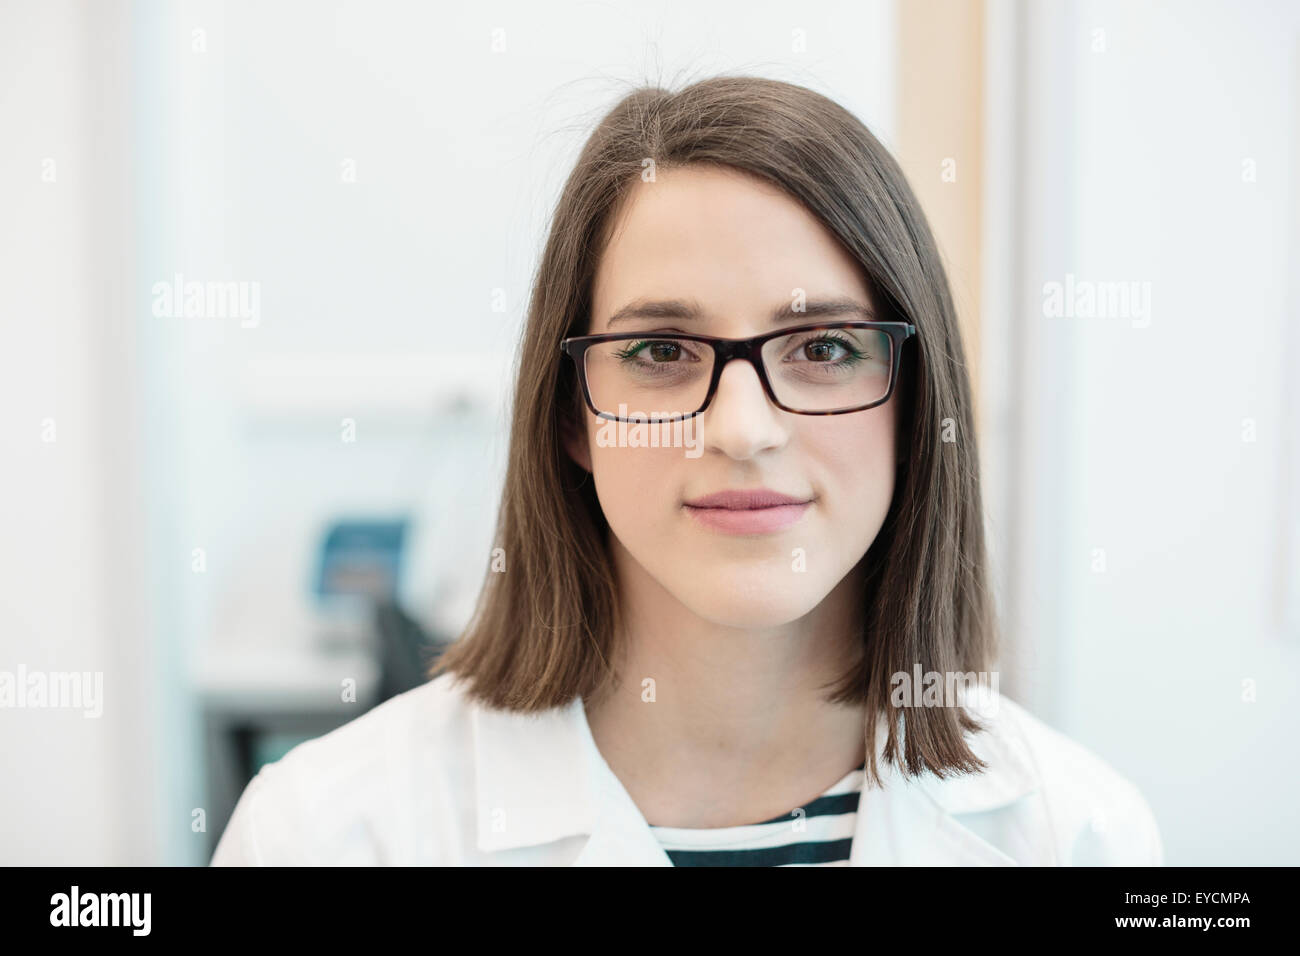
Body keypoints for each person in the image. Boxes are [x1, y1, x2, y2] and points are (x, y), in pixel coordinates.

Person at [211, 75, 1162, 866]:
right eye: (662, 351)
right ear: (570, 416)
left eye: (824, 348)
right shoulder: (322, 834)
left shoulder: (1080, 835)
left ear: (916, 409)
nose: (743, 429)